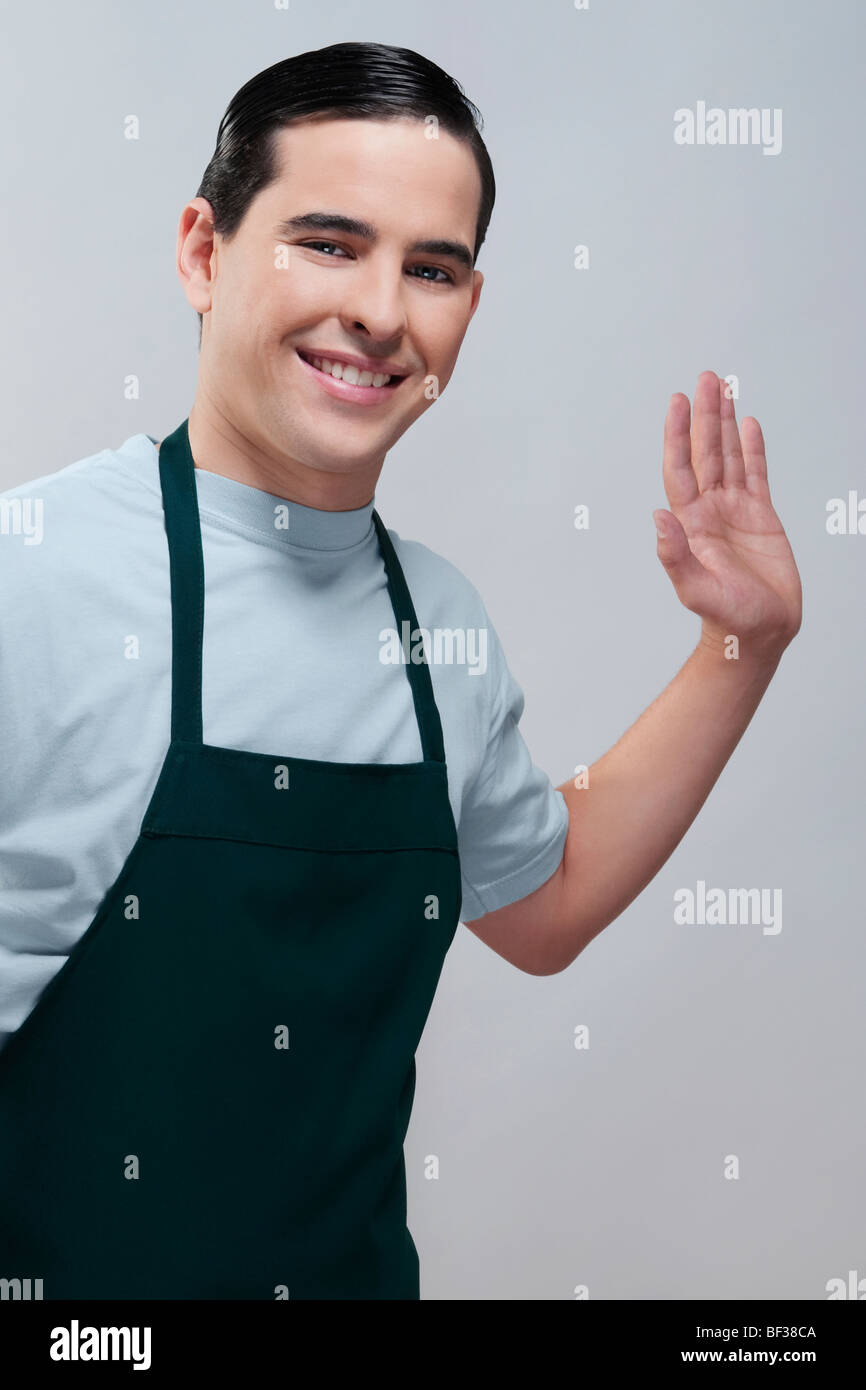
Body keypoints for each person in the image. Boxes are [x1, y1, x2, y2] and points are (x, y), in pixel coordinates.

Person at [0, 41, 801, 1300]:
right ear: (204, 253)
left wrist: (737, 646)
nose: (380, 310)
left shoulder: (435, 626)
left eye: (430, 268)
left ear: (465, 310)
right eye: (327, 242)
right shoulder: (32, 580)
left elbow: (543, 903)